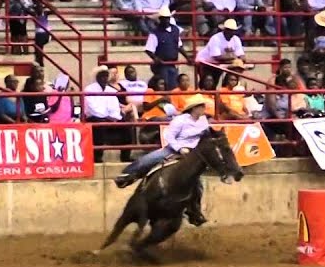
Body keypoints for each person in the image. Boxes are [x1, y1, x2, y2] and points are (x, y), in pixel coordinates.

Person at [113, 93, 211, 225]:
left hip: (192, 155)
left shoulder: (203, 121)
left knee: (198, 184)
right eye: (201, 106)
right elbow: (169, 136)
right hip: (174, 149)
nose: (204, 108)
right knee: (147, 160)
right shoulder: (180, 120)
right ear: (194, 108)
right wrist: (180, 148)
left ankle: (195, 211)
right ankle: (126, 175)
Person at [83, 65, 130, 163]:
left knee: (126, 124)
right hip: (94, 117)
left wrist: (113, 117)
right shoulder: (89, 90)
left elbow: (114, 107)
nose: (104, 78)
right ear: (97, 77)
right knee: (98, 124)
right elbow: (93, 109)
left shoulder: (111, 91)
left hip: (110, 118)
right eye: (102, 76)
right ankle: (97, 157)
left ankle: (125, 156)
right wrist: (106, 117)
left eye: (106, 76)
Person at [195, 19, 245, 87]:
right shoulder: (216, 38)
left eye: (232, 30)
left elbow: (241, 55)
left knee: (221, 78)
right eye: (229, 30)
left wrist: (236, 59)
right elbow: (216, 56)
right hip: (206, 62)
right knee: (208, 81)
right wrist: (233, 57)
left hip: (220, 64)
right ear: (225, 30)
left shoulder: (236, 39)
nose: (231, 32)